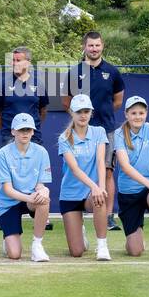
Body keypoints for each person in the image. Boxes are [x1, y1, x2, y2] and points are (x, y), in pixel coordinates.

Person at [67, 31, 125, 230]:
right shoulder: (74, 72)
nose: (94, 49)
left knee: (107, 172)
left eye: (97, 45)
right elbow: (67, 101)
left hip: (106, 129)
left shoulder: (113, 71)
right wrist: (83, 120)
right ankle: (77, 213)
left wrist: (100, 116)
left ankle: (108, 216)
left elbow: (117, 101)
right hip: (80, 131)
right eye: (90, 45)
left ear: (102, 46)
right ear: (84, 46)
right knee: (79, 171)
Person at [113, 96, 149, 260]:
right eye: (133, 113)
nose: (137, 116)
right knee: (135, 250)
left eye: (141, 112)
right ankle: (135, 235)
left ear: (146, 114)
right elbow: (125, 166)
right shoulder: (119, 134)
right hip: (128, 194)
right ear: (126, 114)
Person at [57, 94, 110, 260]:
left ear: (91, 113)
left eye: (86, 111)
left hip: (90, 194)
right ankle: (80, 230)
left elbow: (101, 161)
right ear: (72, 113)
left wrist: (100, 187)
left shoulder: (99, 132)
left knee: (99, 198)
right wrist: (95, 187)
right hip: (70, 195)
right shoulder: (64, 137)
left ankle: (102, 246)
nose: (83, 115)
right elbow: (75, 169)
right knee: (77, 252)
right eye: (79, 111)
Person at [0, 112, 53, 261]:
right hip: (8, 202)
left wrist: (43, 191)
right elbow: (7, 190)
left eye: (28, 129)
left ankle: (37, 245)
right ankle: (7, 236)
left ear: (33, 131)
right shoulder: (3, 153)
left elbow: (40, 184)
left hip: (30, 199)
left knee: (44, 200)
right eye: (21, 130)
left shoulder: (42, 152)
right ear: (13, 131)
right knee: (14, 254)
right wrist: (30, 197)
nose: (25, 133)